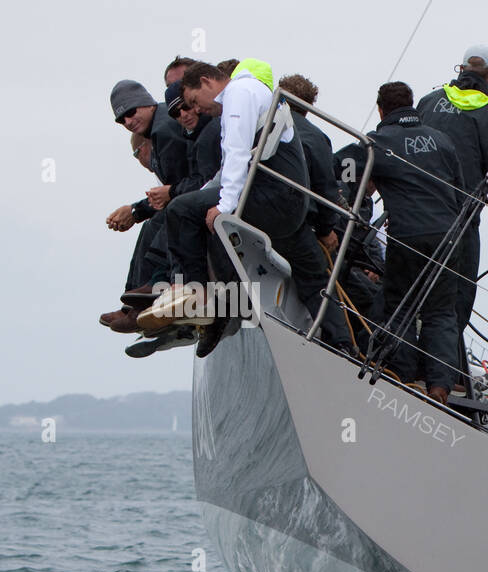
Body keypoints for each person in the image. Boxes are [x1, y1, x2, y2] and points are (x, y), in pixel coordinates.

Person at [149, 60, 348, 354]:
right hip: (289, 206)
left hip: (270, 199)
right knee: (312, 276)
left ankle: (196, 292)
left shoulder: (238, 94)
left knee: (180, 210)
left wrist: (225, 205)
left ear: (207, 81)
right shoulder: (256, 91)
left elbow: (236, 154)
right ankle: (343, 346)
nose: (198, 109)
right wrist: (207, 196)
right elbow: (227, 170)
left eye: (193, 101)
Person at [417, 44, 488, 387]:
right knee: (456, 297)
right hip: (458, 220)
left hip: (411, 212)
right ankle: (444, 375)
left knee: (407, 281)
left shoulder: (428, 101)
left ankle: (400, 357)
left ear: (460, 69)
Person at [364, 81, 464, 403]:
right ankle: (439, 388)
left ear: (381, 109)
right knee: (441, 312)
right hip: (448, 238)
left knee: (401, 307)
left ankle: (403, 380)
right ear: (412, 106)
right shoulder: (443, 141)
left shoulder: (377, 143)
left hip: (407, 236)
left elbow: (360, 191)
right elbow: (460, 191)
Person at [102, 79, 189, 328]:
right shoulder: (158, 126)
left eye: (131, 112)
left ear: (147, 103)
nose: (128, 122)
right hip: (192, 193)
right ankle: (137, 301)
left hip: (201, 196)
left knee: (162, 220)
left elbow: (179, 190)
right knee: (159, 219)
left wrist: (136, 211)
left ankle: (146, 297)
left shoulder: (163, 130)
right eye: (122, 120)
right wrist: (135, 210)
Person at [278, 74, 343, 254]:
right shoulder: (316, 138)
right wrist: (326, 230)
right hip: (296, 221)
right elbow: (326, 187)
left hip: (253, 210)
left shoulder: (260, 124)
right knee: (318, 277)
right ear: (309, 106)